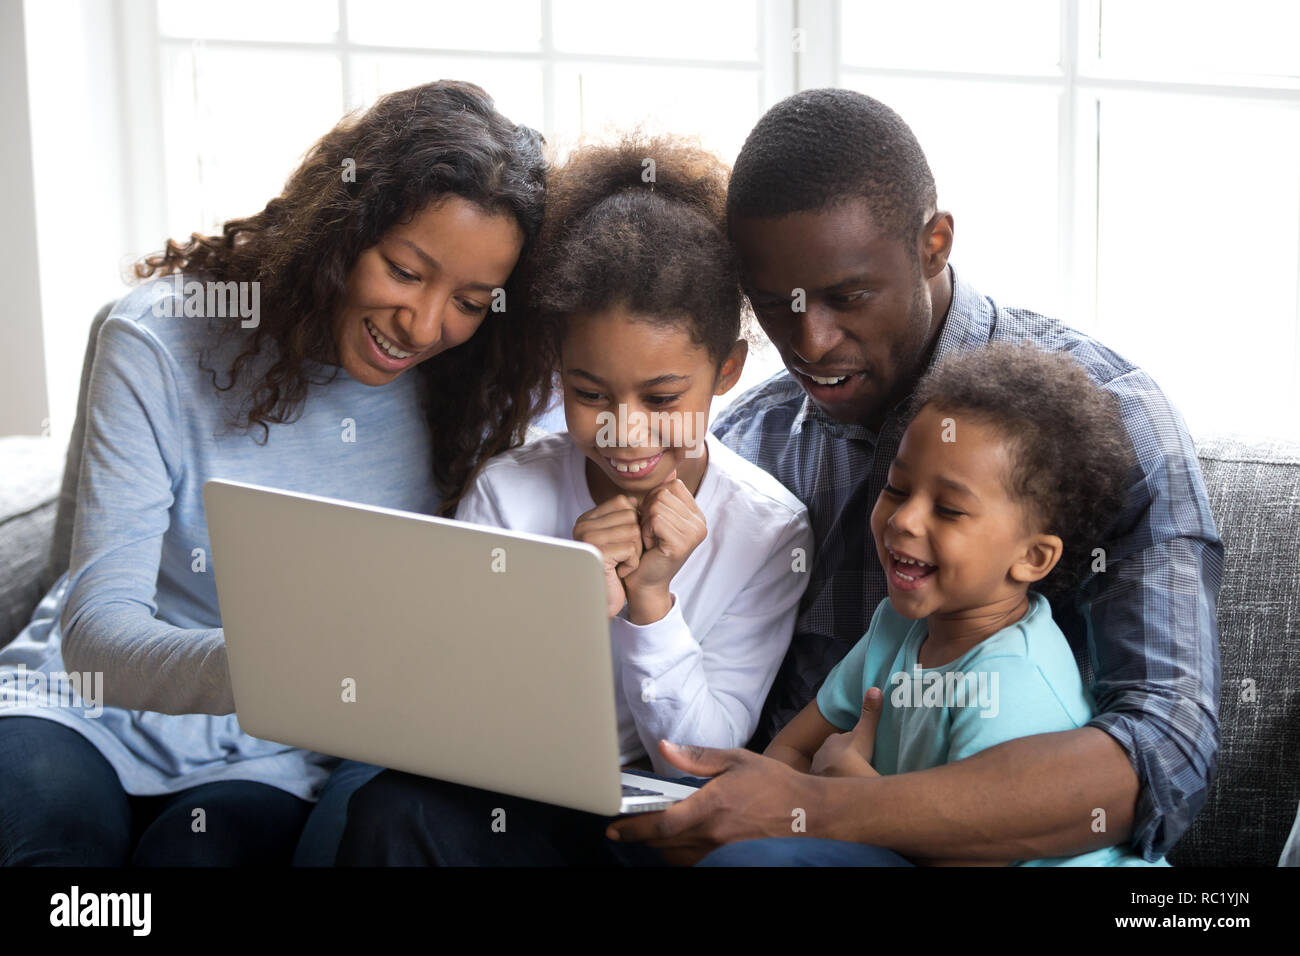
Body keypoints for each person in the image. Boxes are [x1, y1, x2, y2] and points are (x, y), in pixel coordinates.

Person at [606, 88, 1223, 866]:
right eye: (777, 306)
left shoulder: (1113, 422)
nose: (811, 343)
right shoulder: (751, 439)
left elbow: (1162, 751)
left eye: (849, 297)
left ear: (934, 244)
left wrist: (819, 809)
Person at [0, 80, 550, 866]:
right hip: (79, 708)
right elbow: (95, 643)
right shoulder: (160, 339)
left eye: (469, 299)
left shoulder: (477, 387)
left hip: (270, 749)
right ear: (339, 233)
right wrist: (292, 667)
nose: (425, 326)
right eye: (403, 270)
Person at [335, 134, 813, 866]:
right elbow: (455, 713)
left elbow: (700, 754)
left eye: (661, 398)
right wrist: (565, 606)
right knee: (394, 812)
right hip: (510, 798)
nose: (626, 429)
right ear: (559, 371)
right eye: (589, 394)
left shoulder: (769, 531)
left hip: (644, 810)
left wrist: (651, 603)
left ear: (726, 372)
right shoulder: (510, 492)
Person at [745, 342, 1167, 866]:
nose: (903, 520)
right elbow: (789, 751)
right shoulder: (895, 627)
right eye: (898, 489)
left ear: (1033, 557)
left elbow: (966, 853)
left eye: (948, 508)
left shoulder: (1012, 679)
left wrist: (849, 794)